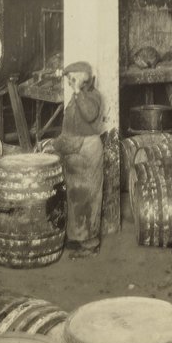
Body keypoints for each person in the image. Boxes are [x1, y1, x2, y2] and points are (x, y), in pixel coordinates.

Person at [49, 61, 105, 258]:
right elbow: (70, 128)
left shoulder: (91, 97)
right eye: (69, 79)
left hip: (87, 151)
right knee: (75, 198)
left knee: (88, 198)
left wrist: (78, 90)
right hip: (75, 152)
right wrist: (56, 144)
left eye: (73, 78)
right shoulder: (75, 98)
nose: (70, 82)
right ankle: (77, 237)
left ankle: (90, 245)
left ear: (84, 78)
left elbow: (89, 115)